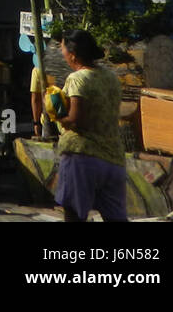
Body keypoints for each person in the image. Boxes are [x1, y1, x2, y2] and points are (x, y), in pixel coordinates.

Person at [55, 29, 126, 223]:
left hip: (82, 157)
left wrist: (57, 116)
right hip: (113, 159)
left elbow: (76, 120)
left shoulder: (77, 79)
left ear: (73, 54)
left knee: (74, 216)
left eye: (62, 48)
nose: (62, 53)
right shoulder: (110, 78)